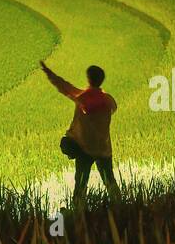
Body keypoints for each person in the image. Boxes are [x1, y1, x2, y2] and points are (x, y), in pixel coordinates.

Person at [40, 60, 121, 203]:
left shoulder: (82, 98)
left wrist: (49, 73)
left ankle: (78, 212)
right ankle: (119, 207)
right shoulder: (108, 100)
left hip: (84, 149)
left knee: (81, 184)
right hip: (103, 148)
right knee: (110, 181)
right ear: (101, 80)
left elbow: (64, 87)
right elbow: (113, 108)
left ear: (88, 79)